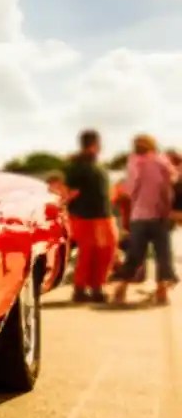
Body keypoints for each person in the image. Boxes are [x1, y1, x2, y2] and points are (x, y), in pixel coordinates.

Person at [108, 134, 178, 304]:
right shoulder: (162, 160)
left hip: (140, 216)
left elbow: (130, 188)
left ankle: (121, 291)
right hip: (160, 215)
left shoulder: (134, 161)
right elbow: (174, 179)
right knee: (163, 256)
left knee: (135, 255)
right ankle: (161, 292)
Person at [62, 130, 117, 303]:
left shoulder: (90, 165)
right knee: (95, 253)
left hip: (98, 214)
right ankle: (90, 288)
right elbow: (71, 192)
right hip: (90, 216)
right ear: (94, 145)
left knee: (98, 253)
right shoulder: (80, 167)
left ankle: (90, 287)